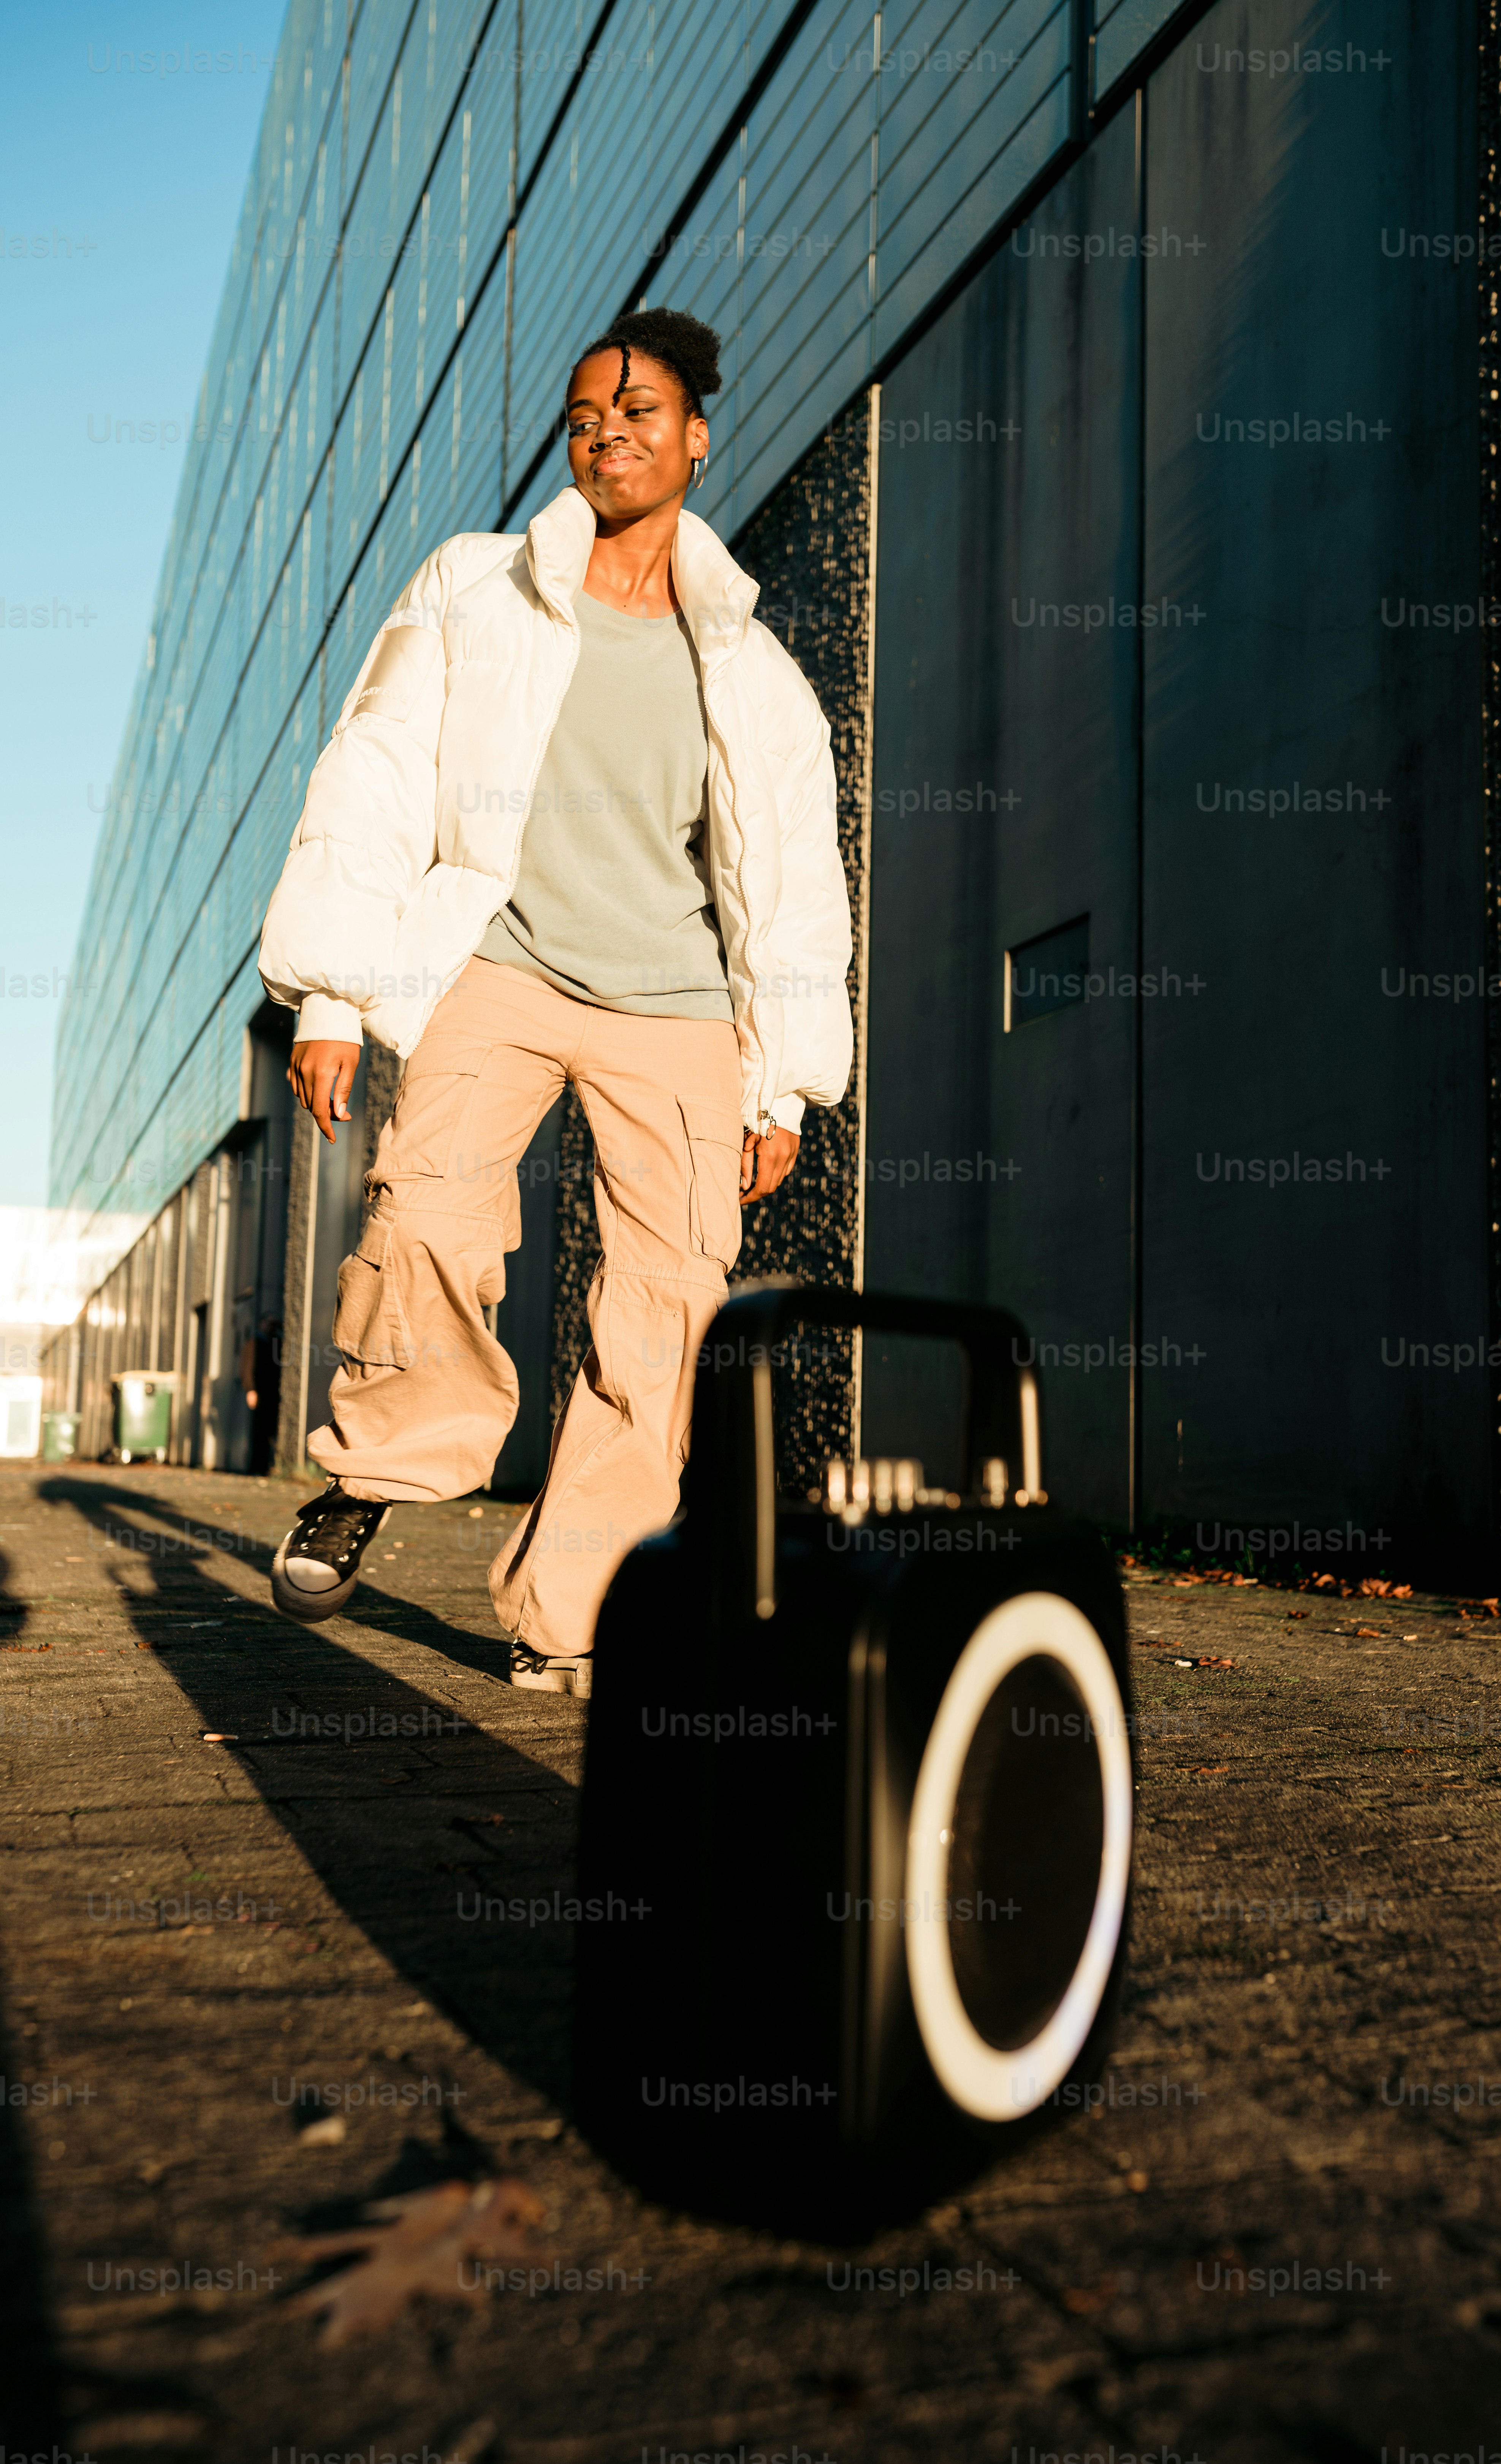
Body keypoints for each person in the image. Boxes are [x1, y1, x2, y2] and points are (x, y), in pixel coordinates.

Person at [256, 307, 852, 1695]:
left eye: (637, 414)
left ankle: (570, 1613)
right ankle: (374, 1472)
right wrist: (332, 990)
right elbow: (377, 766)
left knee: (666, 1307)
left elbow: (797, 884)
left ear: (697, 440)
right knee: (426, 1218)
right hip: (501, 964)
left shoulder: (757, 671)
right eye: (586, 418)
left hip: (683, 1010)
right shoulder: (475, 587)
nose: (606, 436)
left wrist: (782, 1082)